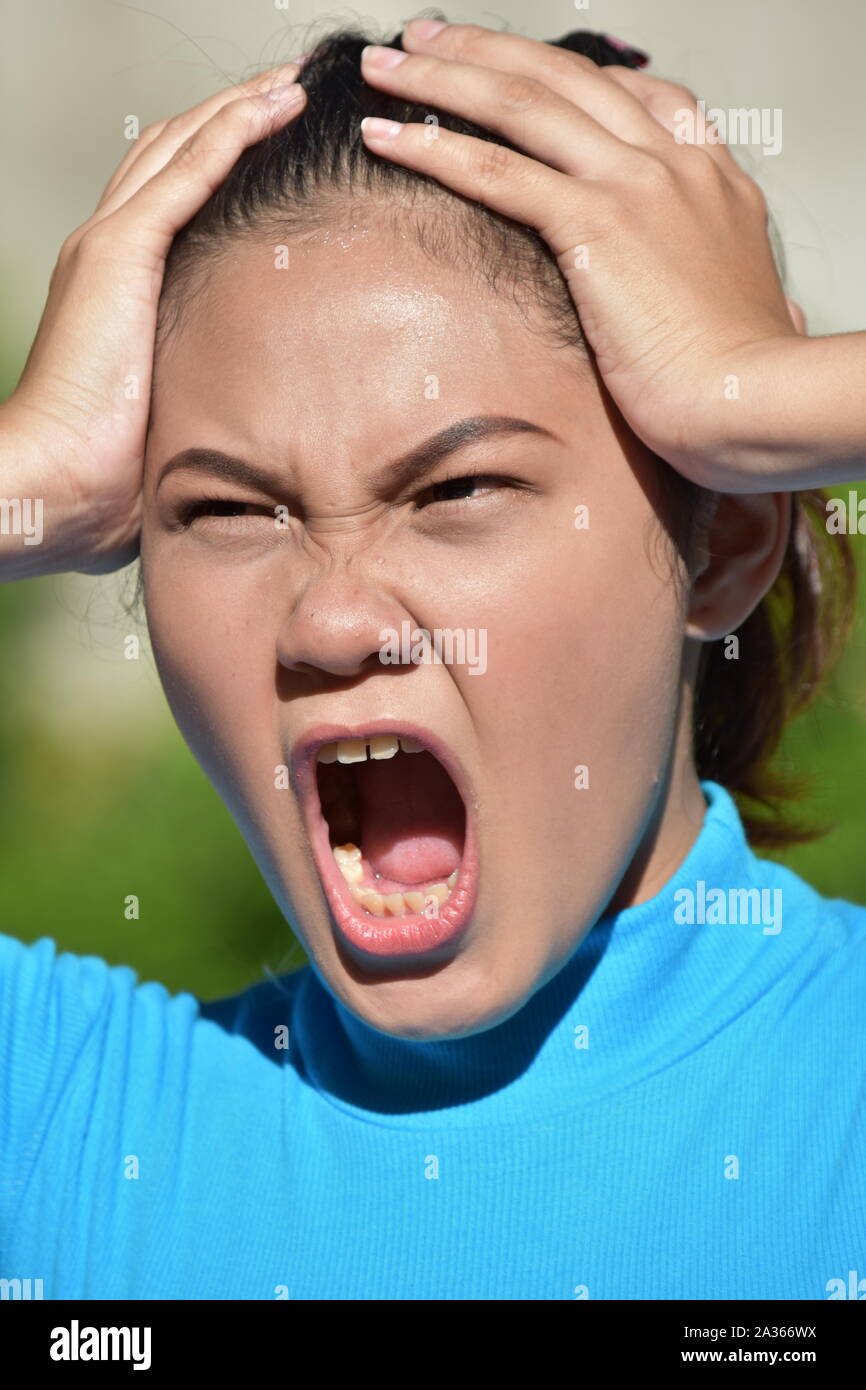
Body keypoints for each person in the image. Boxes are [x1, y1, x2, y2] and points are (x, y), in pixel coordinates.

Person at [1, 16, 865, 1300]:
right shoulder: (56, 1120)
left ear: (730, 541)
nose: (331, 622)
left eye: (456, 487)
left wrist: (755, 393)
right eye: (229, 512)